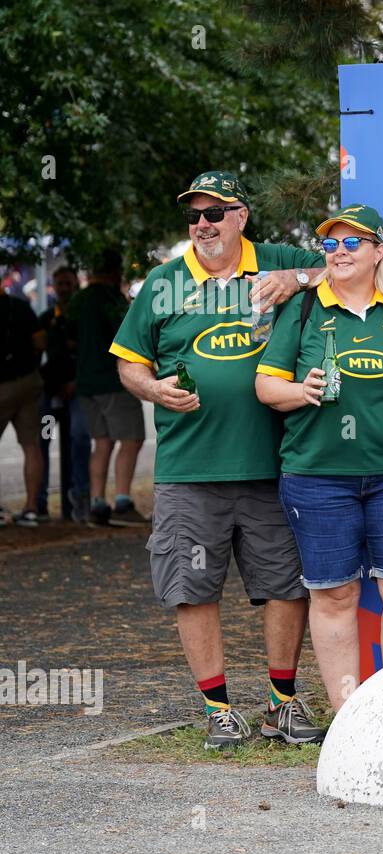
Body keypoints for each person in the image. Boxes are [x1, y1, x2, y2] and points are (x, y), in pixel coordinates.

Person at [113, 171, 327, 749]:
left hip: (274, 462)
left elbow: (364, 269)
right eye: (193, 216)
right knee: (192, 587)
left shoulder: (278, 260)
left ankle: (281, 705)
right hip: (190, 467)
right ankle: (217, 710)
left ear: (241, 216)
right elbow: (129, 362)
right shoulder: (164, 283)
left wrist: (297, 276)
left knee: (286, 585)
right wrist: (153, 390)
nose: (202, 225)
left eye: (214, 213)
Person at [255, 204, 383, 712]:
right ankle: (351, 721)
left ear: (378, 251)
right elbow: (265, 386)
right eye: (331, 244)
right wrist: (302, 391)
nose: (339, 252)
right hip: (318, 477)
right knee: (335, 595)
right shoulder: (301, 310)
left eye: (352, 243)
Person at [71, 250, 147, 527]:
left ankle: (97, 503)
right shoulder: (111, 300)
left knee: (102, 442)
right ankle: (123, 502)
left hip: (85, 382)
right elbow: (128, 337)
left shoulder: (79, 300)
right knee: (131, 438)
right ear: (116, 271)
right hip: (112, 380)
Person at [38, 265, 90, 522]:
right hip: (51, 392)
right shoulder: (47, 317)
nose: (64, 289)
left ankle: (80, 498)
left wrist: (76, 381)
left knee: (79, 436)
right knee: (42, 441)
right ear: (54, 286)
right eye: (60, 284)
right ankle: (39, 502)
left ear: (76, 285)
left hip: (78, 390)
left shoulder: (83, 318)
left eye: (68, 283)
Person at [0, 290, 46, 527]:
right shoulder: (20, 306)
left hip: (2, 385)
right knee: (32, 446)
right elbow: (40, 341)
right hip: (28, 382)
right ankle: (31, 508)